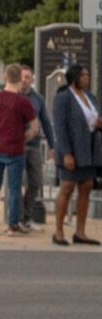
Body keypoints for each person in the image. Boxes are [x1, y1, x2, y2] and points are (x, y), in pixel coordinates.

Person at [0, 62, 38, 235]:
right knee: (15, 188)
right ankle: (13, 225)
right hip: (16, 149)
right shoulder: (23, 102)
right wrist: (24, 138)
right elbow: (34, 127)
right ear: (19, 79)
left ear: (5, 77)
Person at [51, 60, 98, 245]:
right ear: (75, 78)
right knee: (67, 187)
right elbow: (60, 127)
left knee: (86, 187)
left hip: (89, 150)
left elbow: (94, 118)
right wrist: (67, 153)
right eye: (84, 75)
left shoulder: (90, 97)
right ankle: (59, 232)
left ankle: (80, 232)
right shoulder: (63, 97)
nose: (87, 77)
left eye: (87, 74)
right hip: (72, 150)